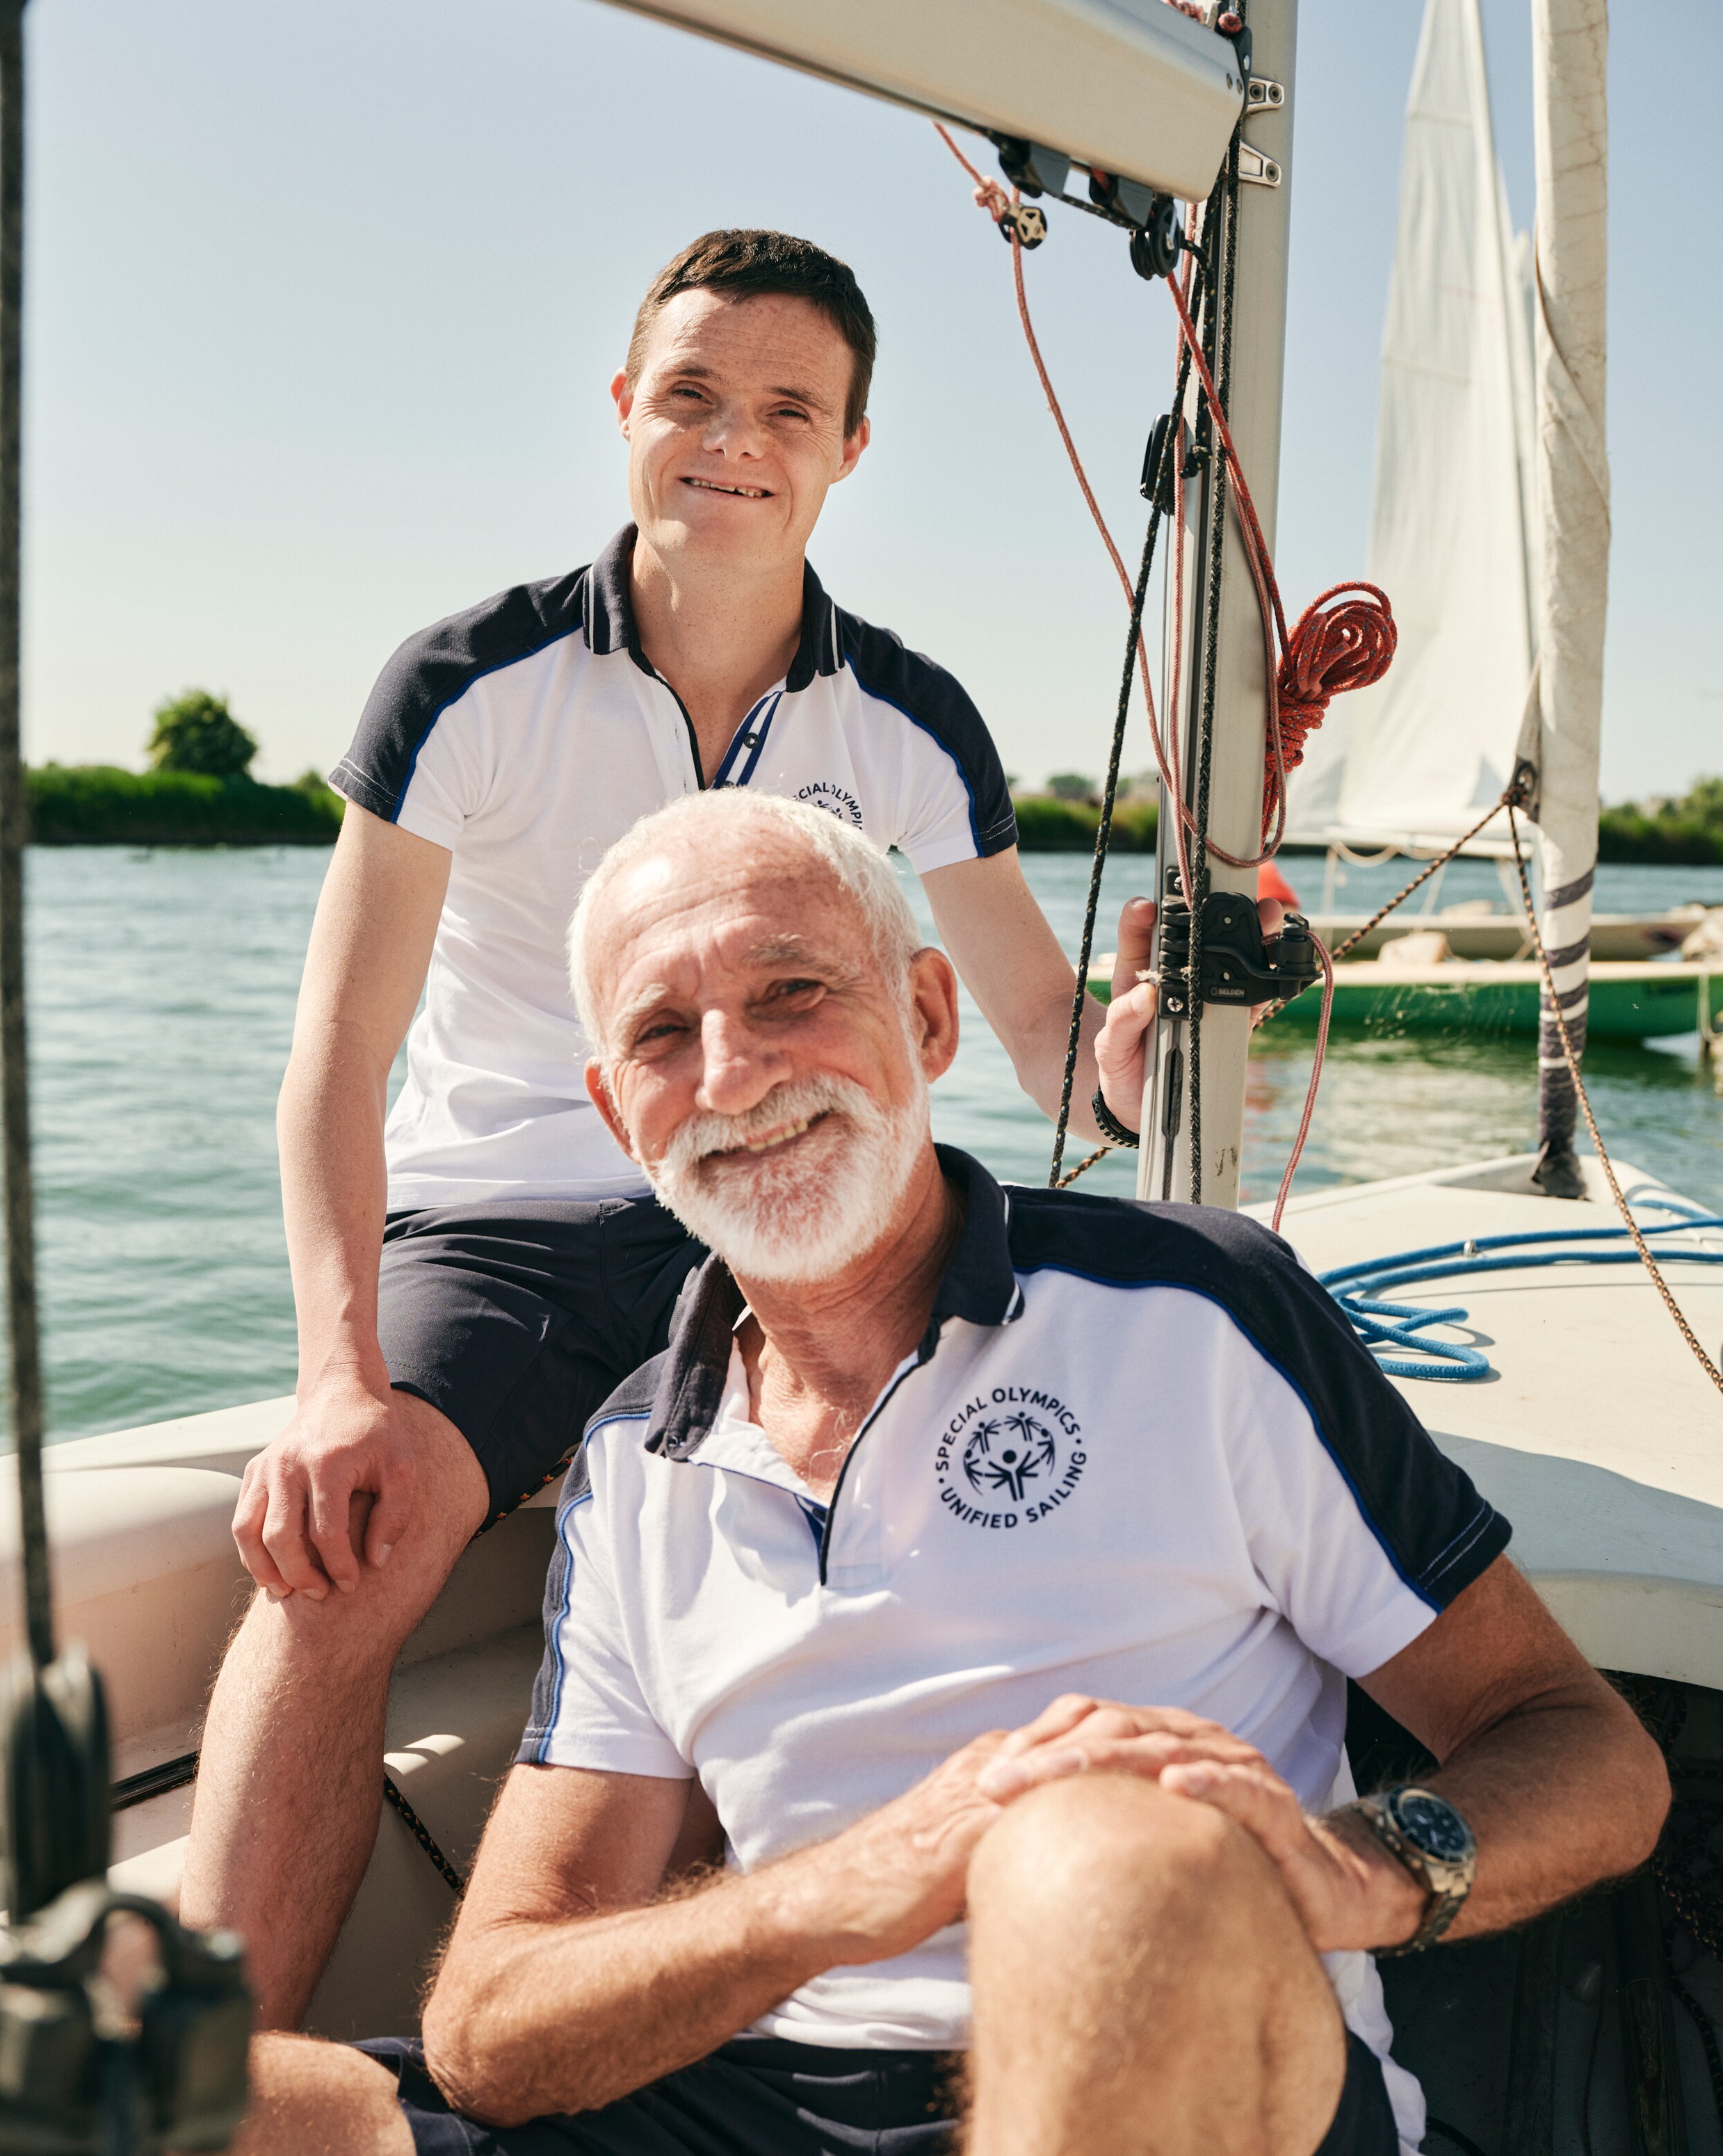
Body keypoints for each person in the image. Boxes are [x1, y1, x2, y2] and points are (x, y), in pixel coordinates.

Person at [223, 791, 1667, 2156]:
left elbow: (1582, 1744)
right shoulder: (635, 1459)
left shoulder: (1195, 1312)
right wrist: (830, 1892)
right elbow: (490, 2024)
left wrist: (1368, 1868)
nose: (732, 1072)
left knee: (1093, 1859)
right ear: (619, 1115)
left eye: (792, 990)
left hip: (1188, 2061)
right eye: (666, 1031)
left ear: (925, 1014)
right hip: (750, 2095)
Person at [181, 227, 1167, 2025]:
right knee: (348, 1551)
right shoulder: (463, 682)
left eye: (789, 406)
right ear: (626, 406)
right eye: (695, 393)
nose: (736, 437)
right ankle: (198, 2094)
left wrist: (1141, 1043)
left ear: (851, 448)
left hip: (804, 1216)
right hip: (512, 1231)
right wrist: (337, 1380)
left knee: (933, 1556)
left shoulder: (916, 722)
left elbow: (1044, 1040)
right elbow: (339, 1050)